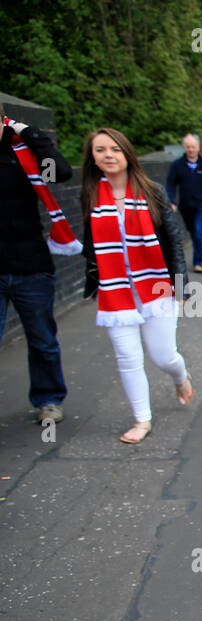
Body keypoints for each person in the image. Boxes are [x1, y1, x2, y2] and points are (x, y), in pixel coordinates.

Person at [80, 127, 194, 444]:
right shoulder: (90, 194)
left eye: (115, 149)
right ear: (92, 157)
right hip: (115, 290)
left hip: (156, 286)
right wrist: (92, 283)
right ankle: (142, 420)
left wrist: (181, 285)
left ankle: (181, 377)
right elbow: (90, 245)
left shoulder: (151, 190)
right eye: (100, 150)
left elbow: (172, 239)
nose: (108, 155)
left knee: (163, 356)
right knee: (128, 358)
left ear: (127, 153)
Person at [1, 116, 77, 425]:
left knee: (42, 339)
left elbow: (59, 172)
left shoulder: (22, 149)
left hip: (30, 264)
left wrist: (32, 134)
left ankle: (48, 400)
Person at [165, 134, 202, 274]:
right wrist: (171, 201)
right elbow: (171, 184)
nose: (191, 149)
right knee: (193, 232)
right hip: (186, 205)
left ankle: (197, 262)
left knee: (198, 231)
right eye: (188, 147)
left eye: (193, 147)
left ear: (198, 148)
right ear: (184, 148)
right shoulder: (177, 165)